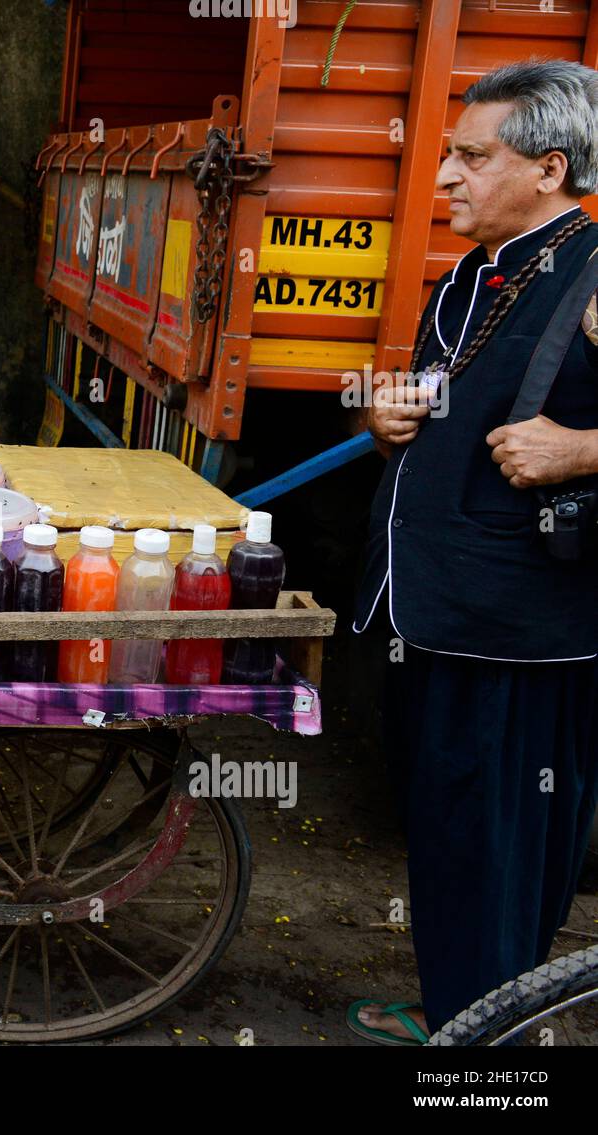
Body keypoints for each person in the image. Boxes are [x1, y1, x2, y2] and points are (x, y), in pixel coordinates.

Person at [349, 60, 598, 1044]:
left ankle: (487, 1050)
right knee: (456, 835)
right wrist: (386, 415)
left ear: (547, 168)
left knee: (500, 841)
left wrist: (583, 448)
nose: (443, 178)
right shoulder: (470, 275)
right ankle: (472, 1017)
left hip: (520, 628)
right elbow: (445, 410)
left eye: (468, 158)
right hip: (436, 608)